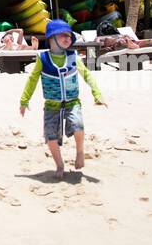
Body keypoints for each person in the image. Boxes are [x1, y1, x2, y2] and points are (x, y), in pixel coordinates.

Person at [19, 20, 106, 180]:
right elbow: (32, 80)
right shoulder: (43, 58)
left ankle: (80, 152)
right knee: (50, 138)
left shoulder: (73, 57)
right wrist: (24, 100)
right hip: (52, 106)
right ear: (52, 38)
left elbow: (86, 74)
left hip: (73, 103)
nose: (68, 38)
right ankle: (59, 165)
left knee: (78, 126)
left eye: (69, 36)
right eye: (63, 35)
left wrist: (97, 94)